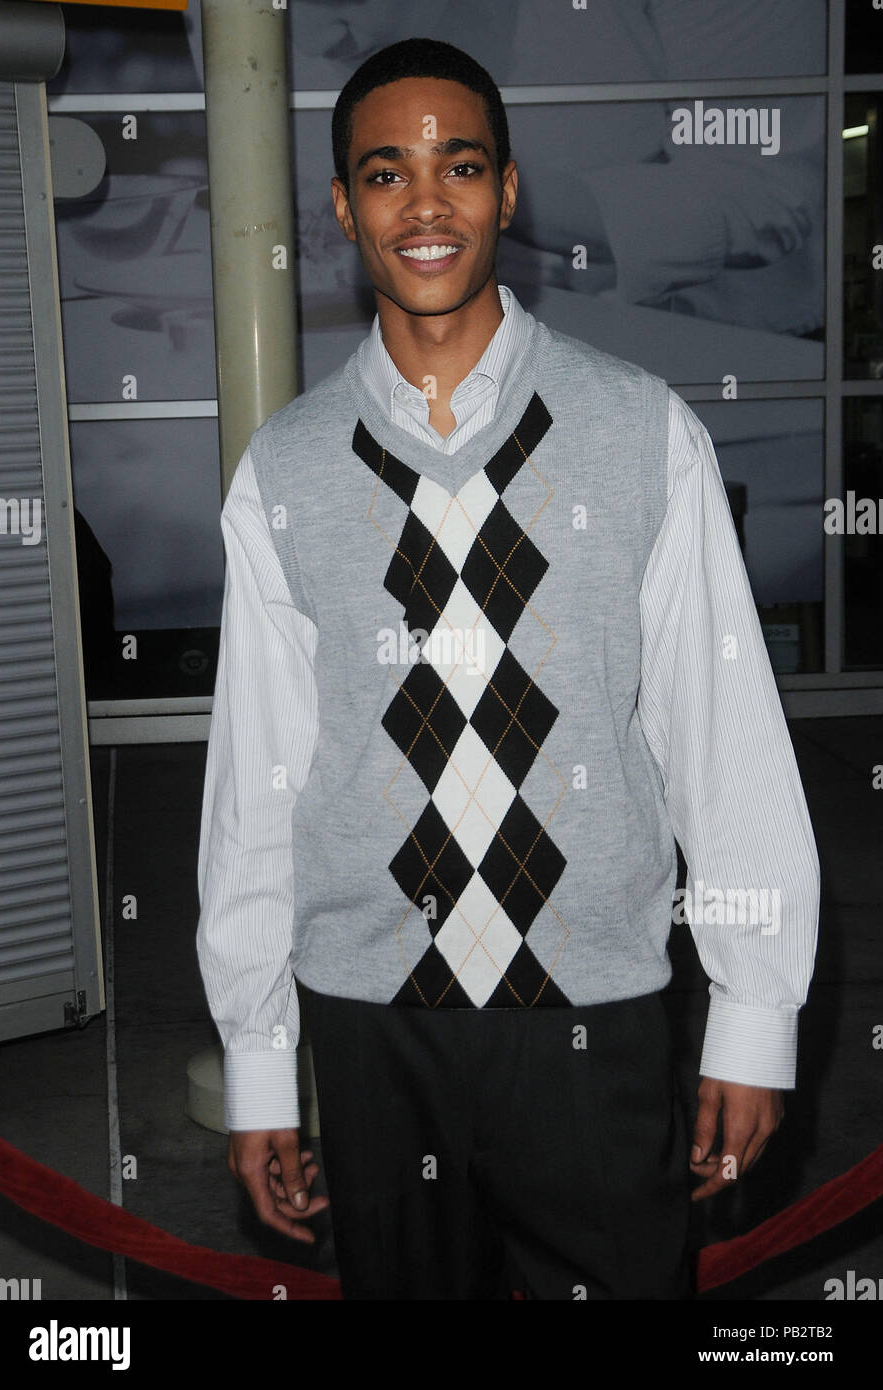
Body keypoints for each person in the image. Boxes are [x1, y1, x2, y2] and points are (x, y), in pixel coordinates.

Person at [196, 37, 820, 1300]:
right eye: (385, 171)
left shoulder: (643, 430)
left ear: (509, 190)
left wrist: (754, 1013)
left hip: (595, 1016)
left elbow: (723, 737)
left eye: (459, 165)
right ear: (340, 206)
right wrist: (262, 1055)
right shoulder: (287, 469)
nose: (424, 203)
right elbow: (260, 786)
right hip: (374, 1027)